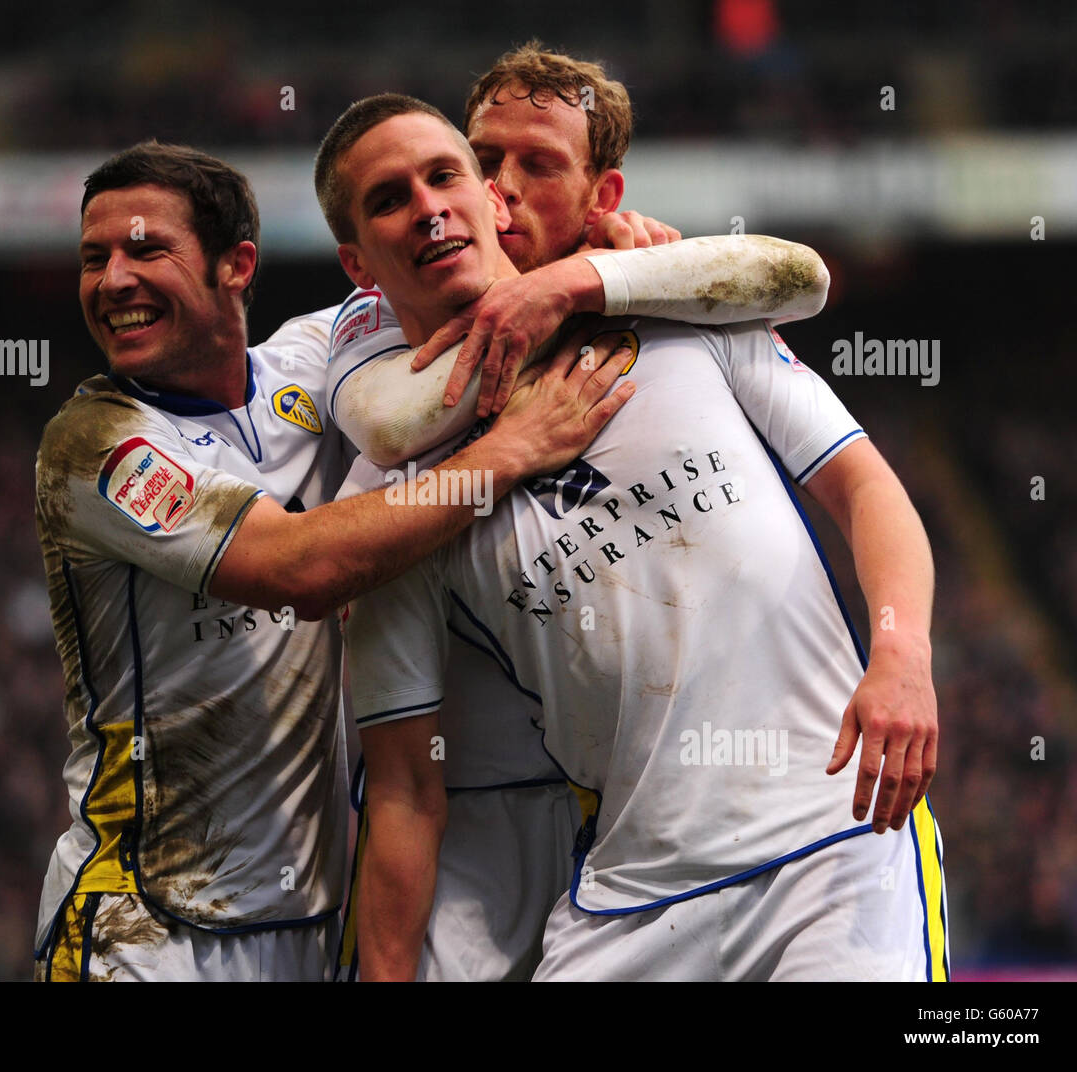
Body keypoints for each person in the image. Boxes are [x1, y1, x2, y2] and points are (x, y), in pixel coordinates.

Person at [317, 95, 948, 981]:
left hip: (836, 842)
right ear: (358, 263)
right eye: (389, 199)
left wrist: (902, 654)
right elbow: (403, 791)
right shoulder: (399, 503)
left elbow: (864, 483)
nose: (427, 208)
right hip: (625, 903)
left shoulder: (680, 311)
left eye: (445, 176)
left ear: (491, 202)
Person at [31, 140, 635, 982]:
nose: (113, 281)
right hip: (144, 926)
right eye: (94, 259)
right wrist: (510, 453)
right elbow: (296, 573)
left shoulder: (315, 364)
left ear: (236, 265)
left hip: (307, 925)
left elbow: (454, 270)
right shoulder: (94, 445)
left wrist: (604, 253)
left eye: (146, 249)